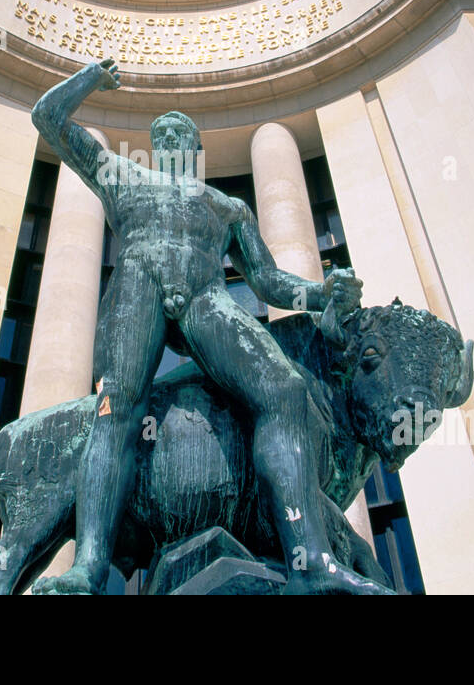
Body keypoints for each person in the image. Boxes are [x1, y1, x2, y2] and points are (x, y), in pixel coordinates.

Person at [31, 58, 386, 594]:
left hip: (204, 297)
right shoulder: (124, 176)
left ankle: (310, 561)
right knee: (115, 409)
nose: (172, 137)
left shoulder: (226, 207)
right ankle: (88, 567)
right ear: (152, 146)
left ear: (196, 153)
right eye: (163, 133)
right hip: (138, 290)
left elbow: (267, 283)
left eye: (183, 134)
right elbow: (48, 117)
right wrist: (89, 79)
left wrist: (321, 294)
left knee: (285, 389)